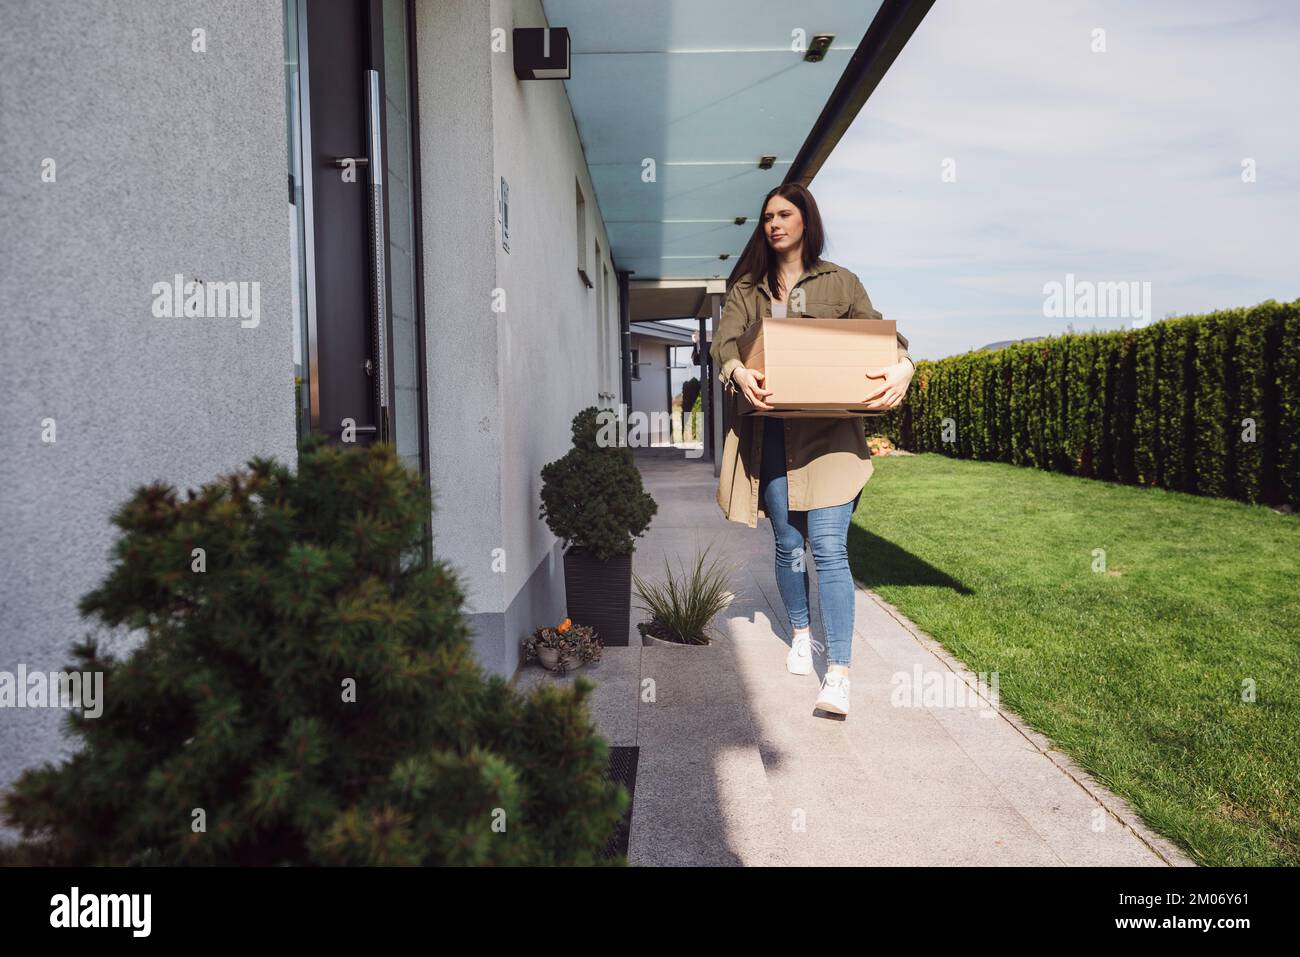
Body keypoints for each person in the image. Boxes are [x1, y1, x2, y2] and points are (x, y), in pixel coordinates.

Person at [710, 183, 914, 717]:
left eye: (784, 214)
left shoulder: (841, 281)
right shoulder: (746, 289)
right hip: (772, 437)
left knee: (829, 549)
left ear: (806, 220)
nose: (774, 224)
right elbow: (724, 344)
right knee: (787, 544)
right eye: (767, 217)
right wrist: (736, 372)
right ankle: (801, 631)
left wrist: (905, 367)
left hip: (831, 438)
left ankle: (839, 673)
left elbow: (884, 337)